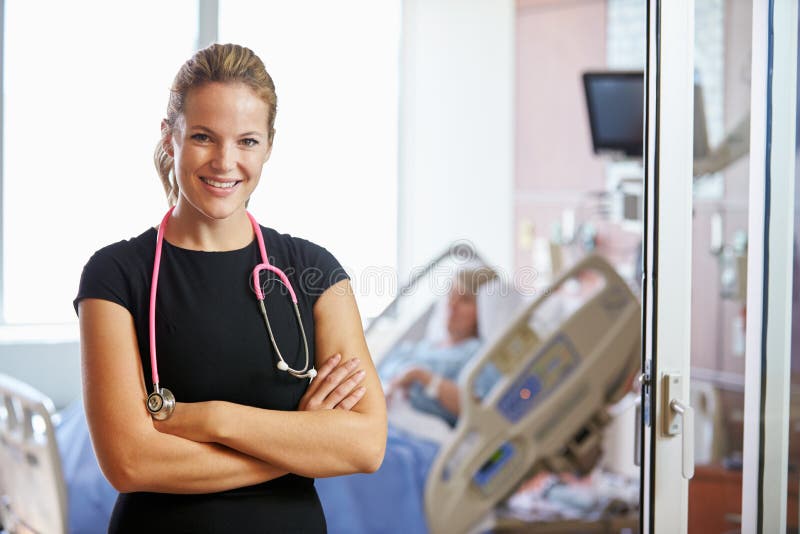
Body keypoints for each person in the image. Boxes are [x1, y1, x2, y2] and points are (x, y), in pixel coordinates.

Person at [74, 43, 387, 533]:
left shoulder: (316, 274)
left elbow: (367, 445)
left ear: (269, 146)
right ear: (169, 138)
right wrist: (303, 447)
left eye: (247, 141)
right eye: (203, 136)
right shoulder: (115, 275)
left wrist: (212, 419)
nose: (225, 162)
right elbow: (130, 463)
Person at [380, 268, 501, 427]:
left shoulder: (480, 354)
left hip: (411, 432)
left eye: (465, 299)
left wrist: (421, 376)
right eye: (451, 295)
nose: (452, 305)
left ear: (483, 311)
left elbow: (477, 409)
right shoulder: (426, 345)